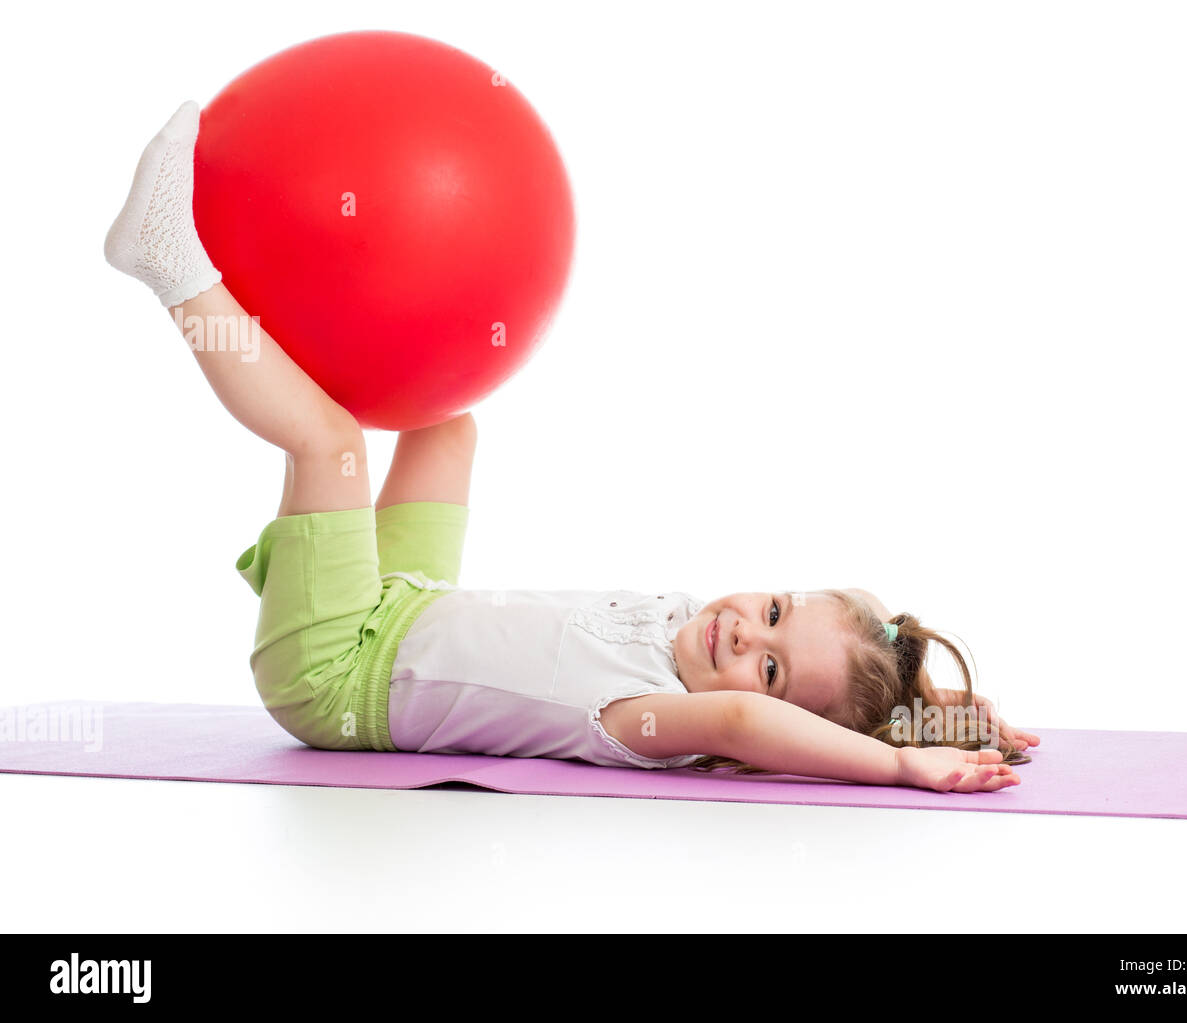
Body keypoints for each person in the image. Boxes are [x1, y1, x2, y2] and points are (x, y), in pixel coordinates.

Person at [105, 102, 1036, 792]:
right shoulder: (687, 626)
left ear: (744, 731)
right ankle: (283, 333)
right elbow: (860, 669)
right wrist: (942, 712)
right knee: (445, 418)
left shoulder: (648, 718)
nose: (749, 632)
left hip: (340, 674)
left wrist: (901, 765)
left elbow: (750, 723)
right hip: (401, 605)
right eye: (778, 611)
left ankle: (173, 266)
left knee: (337, 448)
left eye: (770, 668)